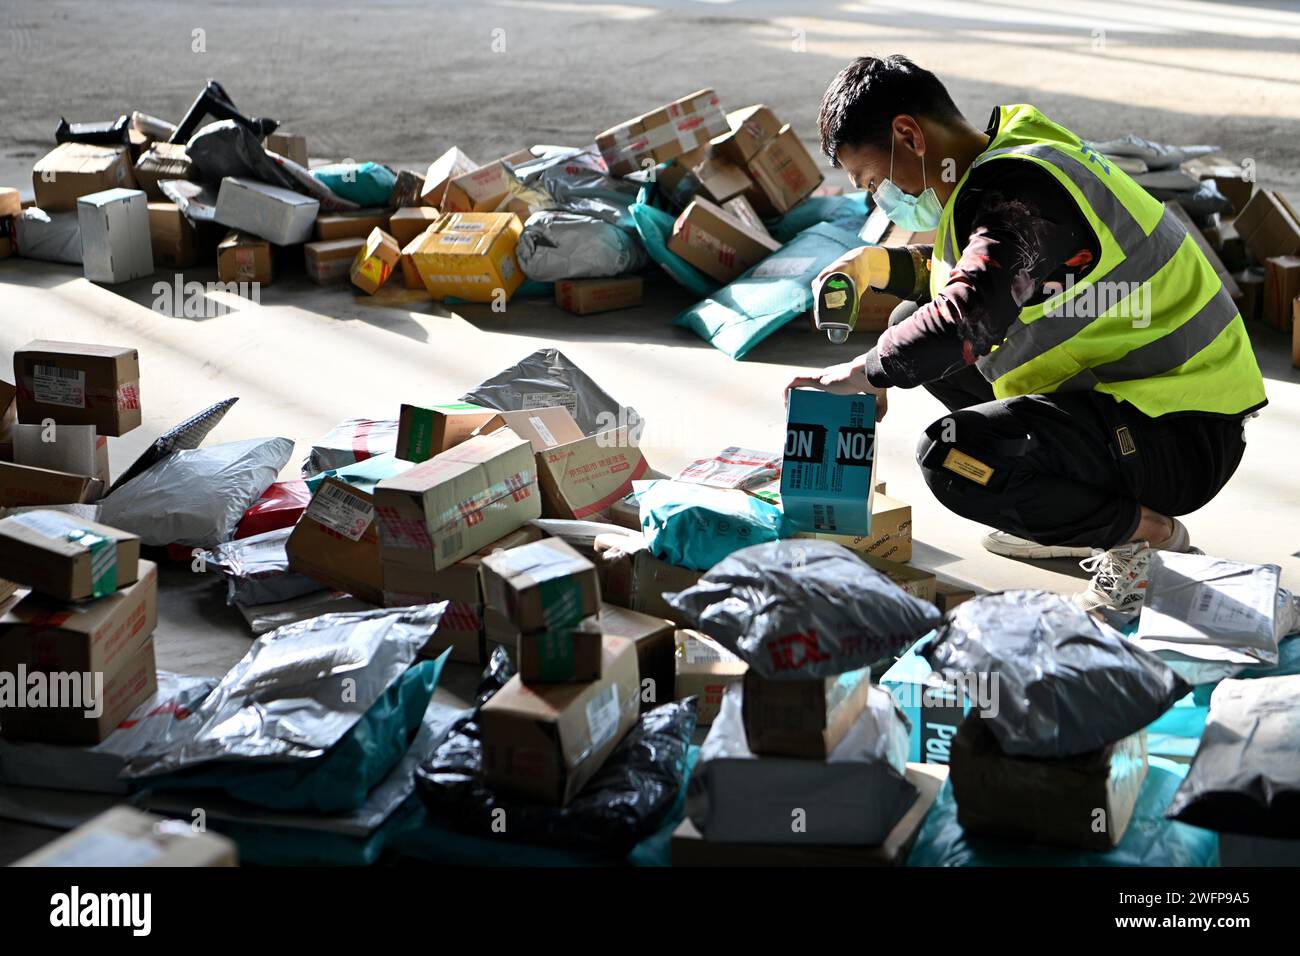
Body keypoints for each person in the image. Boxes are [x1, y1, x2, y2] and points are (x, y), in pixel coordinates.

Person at [786, 55, 1267, 620]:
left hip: (1181, 433)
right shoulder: (1008, 157)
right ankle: (1075, 507)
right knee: (905, 324)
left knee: (952, 455)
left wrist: (866, 372)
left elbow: (972, 314)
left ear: (908, 135)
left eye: (874, 180)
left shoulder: (1017, 193)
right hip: (1136, 401)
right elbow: (985, 273)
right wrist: (877, 268)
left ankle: (1145, 536)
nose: (878, 198)